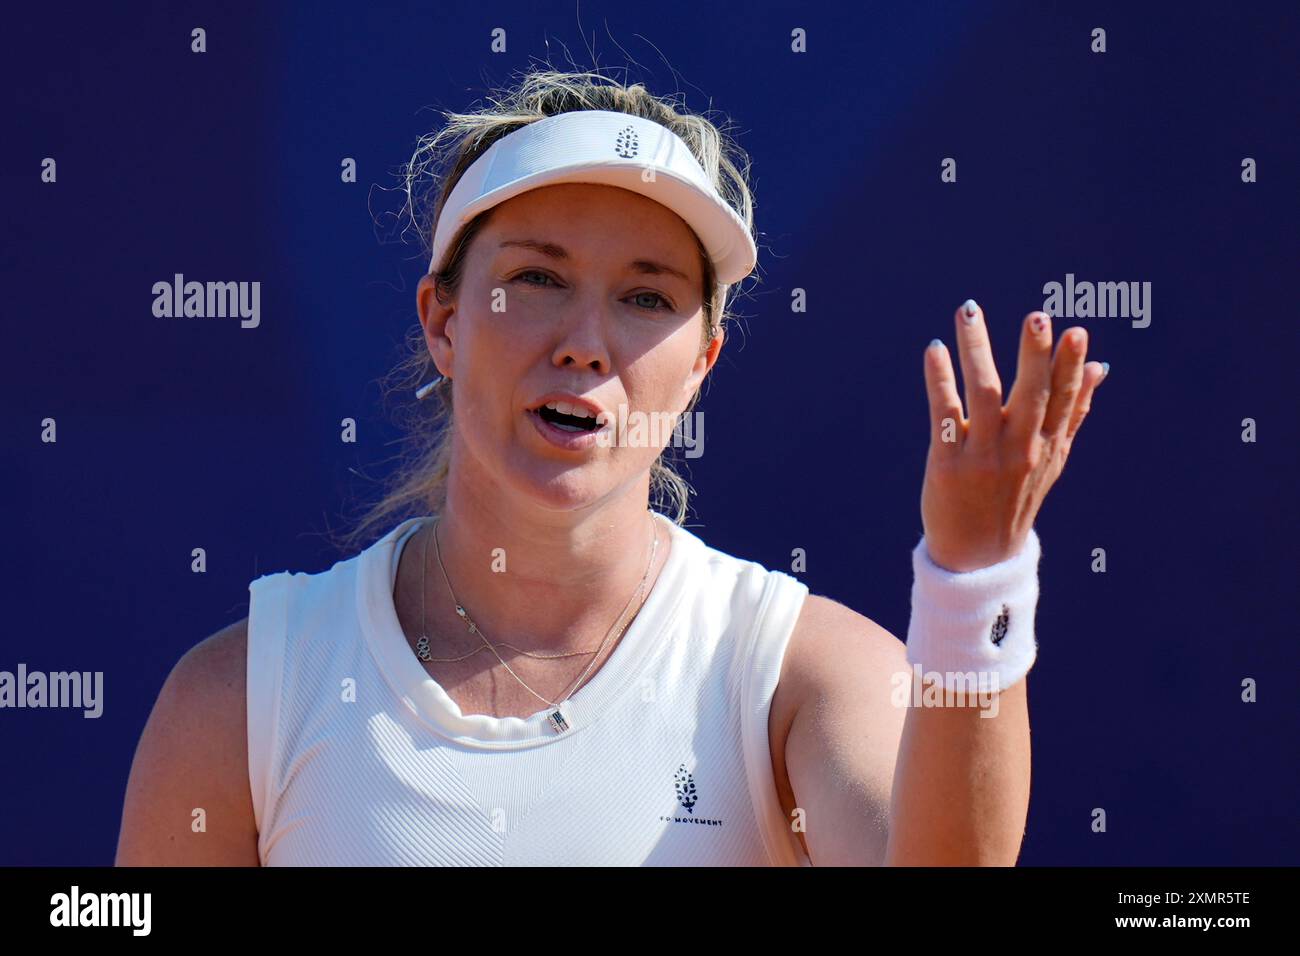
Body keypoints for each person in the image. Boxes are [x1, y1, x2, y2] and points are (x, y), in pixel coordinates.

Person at [115, 69, 1106, 867]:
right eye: (537, 277)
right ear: (443, 321)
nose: (587, 342)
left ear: (701, 363)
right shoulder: (240, 698)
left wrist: (976, 579)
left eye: (646, 296)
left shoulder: (798, 676)